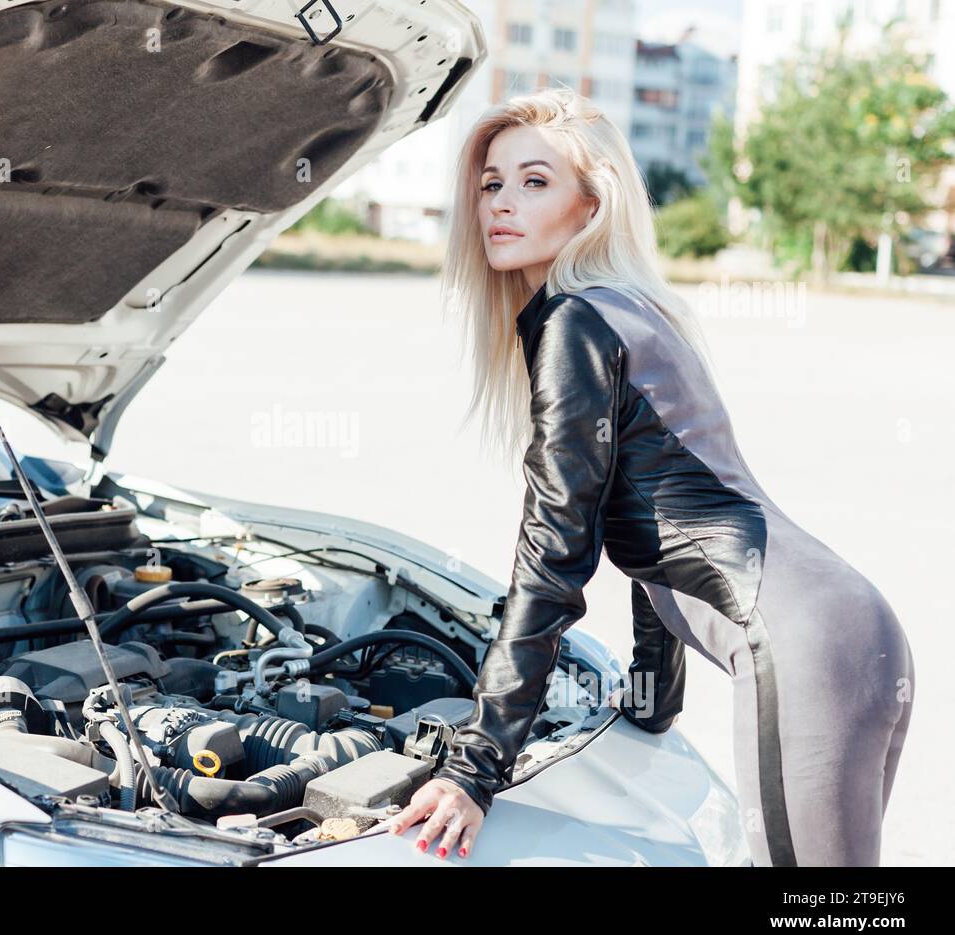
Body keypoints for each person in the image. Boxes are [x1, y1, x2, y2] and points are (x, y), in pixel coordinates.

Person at [386, 88, 915, 866]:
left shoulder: (574, 323)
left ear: (592, 204)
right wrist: (651, 700)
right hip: (854, 633)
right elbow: (655, 521)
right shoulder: (636, 309)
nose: (501, 203)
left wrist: (474, 769)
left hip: (806, 656)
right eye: (491, 183)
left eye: (535, 181)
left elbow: (555, 552)